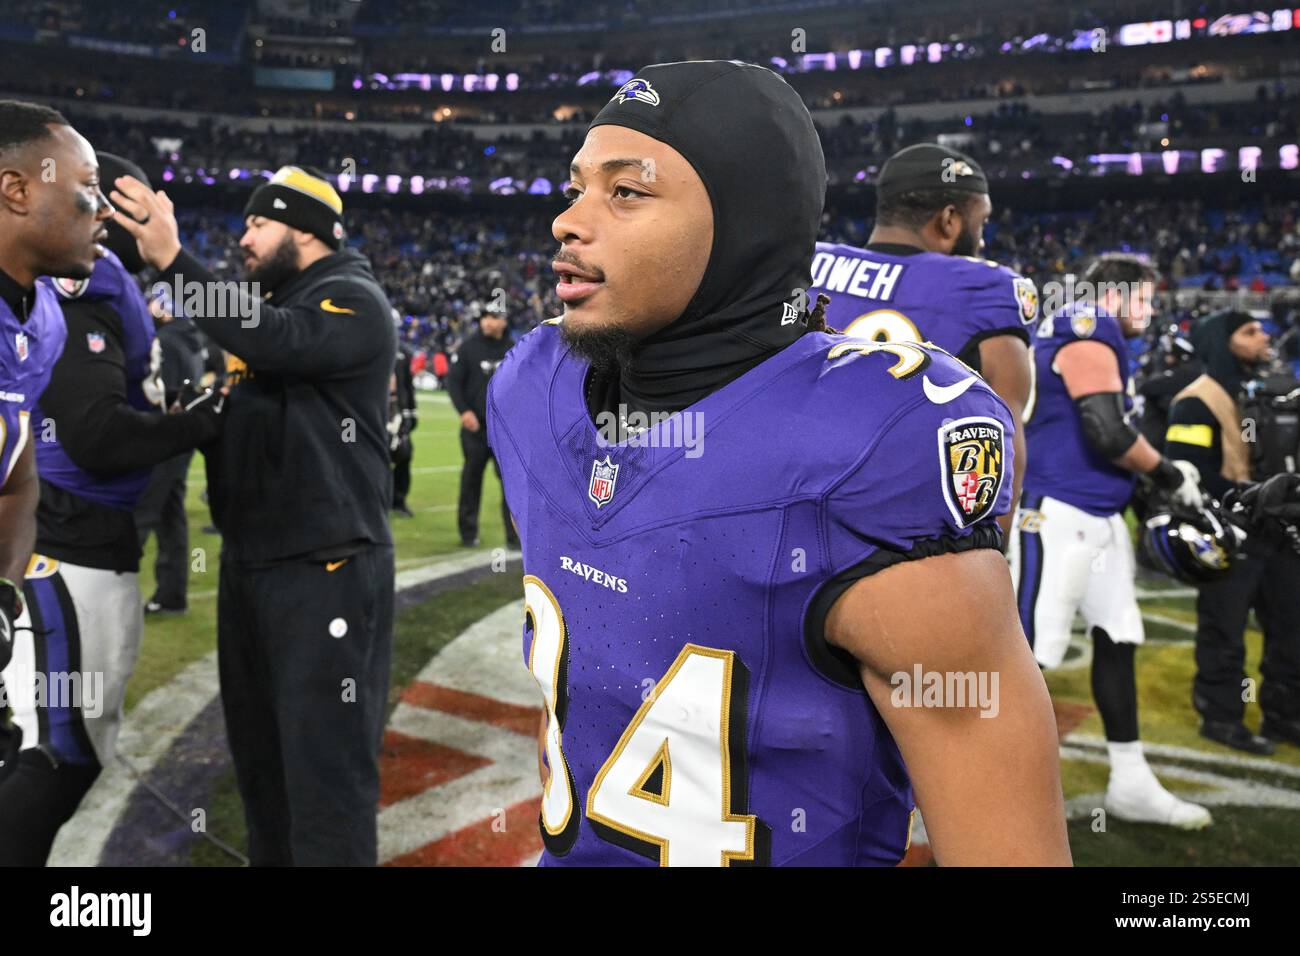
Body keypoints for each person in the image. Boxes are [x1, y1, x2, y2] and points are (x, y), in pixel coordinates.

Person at [489, 61, 1070, 866]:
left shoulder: (872, 443)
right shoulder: (532, 384)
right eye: (575, 187)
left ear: (746, 223)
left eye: (625, 191)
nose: (567, 220)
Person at [109, 164, 398, 866]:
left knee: (325, 782)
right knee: (262, 776)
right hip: (253, 563)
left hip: (324, 564)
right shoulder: (273, 306)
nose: (244, 238)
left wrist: (174, 260)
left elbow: (280, 340)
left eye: (259, 223)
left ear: (306, 229)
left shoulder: (353, 297)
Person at [0, 151, 224, 865]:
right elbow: (95, 435)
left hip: (77, 536)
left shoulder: (102, 286)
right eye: (100, 198)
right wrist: (202, 422)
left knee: (59, 744)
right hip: (66, 544)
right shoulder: (76, 287)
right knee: (58, 753)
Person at [1010, 253, 1211, 829]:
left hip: (1096, 516)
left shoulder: (1097, 332)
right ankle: (977, 787)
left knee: (1118, 639)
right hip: (1058, 513)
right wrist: (1169, 475)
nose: (1150, 308)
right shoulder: (1087, 322)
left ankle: (1130, 782)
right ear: (1113, 294)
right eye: (1142, 296)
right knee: (1028, 656)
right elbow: (1106, 429)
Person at [812, 144, 1038, 535]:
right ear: (949, 220)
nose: (982, 240)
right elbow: (1004, 448)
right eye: (981, 223)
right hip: (911, 534)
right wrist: (990, 551)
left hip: (806, 513)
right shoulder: (984, 290)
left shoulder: (813, 264)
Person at [0, 101, 111, 786]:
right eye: (89, 187)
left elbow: (15, 481)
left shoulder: (45, 321)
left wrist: (2, 593)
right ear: (17, 190)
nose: (104, 208)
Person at [1164, 310, 1300, 753]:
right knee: (1225, 631)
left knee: (1290, 627)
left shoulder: (1267, 390)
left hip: (1278, 532)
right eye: (1249, 331)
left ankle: (1283, 714)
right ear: (1223, 342)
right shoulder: (1196, 399)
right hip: (1229, 533)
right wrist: (1254, 494)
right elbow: (1189, 475)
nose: (1264, 336)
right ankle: (1221, 716)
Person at [135, 278, 208, 615]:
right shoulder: (191, 339)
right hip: (182, 439)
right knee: (170, 516)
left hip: (163, 438)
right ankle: (171, 594)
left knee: (140, 515)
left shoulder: (165, 342)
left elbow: (156, 395)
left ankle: (113, 589)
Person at [447, 308, 516, 548]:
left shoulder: (515, 349)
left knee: (511, 485)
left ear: (504, 321)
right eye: (484, 317)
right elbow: (453, 382)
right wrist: (464, 411)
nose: (487, 322)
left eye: (493, 317)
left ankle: (515, 537)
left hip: (504, 431)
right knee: (471, 480)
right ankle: (468, 534)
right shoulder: (468, 348)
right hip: (475, 428)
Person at [388, 309, 417, 518]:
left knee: (404, 454)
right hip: (373, 410)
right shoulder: (365, 345)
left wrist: (410, 412)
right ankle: (374, 501)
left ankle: (399, 499)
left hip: (396, 410)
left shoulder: (403, 352)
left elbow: (407, 385)